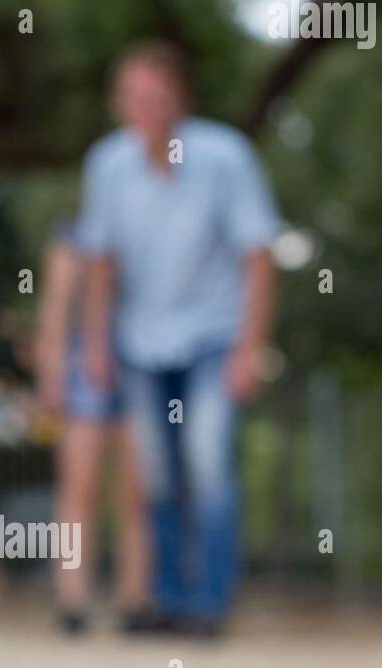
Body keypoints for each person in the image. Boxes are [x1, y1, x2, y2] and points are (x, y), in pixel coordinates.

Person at [78, 42, 280, 638]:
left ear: (181, 98)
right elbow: (101, 261)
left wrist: (251, 346)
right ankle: (165, 598)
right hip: (140, 342)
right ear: (120, 104)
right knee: (157, 476)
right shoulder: (107, 164)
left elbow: (260, 256)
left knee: (208, 465)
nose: (148, 107)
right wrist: (95, 343)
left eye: (158, 95)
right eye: (136, 96)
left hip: (214, 337)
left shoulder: (226, 156)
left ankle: (210, 603)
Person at [35, 220, 153, 635]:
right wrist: (51, 369)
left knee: (137, 493)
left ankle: (135, 601)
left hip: (143, 363)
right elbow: (55, 306)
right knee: (78, 489)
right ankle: (72, 603)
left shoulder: (151, 227)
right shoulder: (73, 236)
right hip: (83, 369)